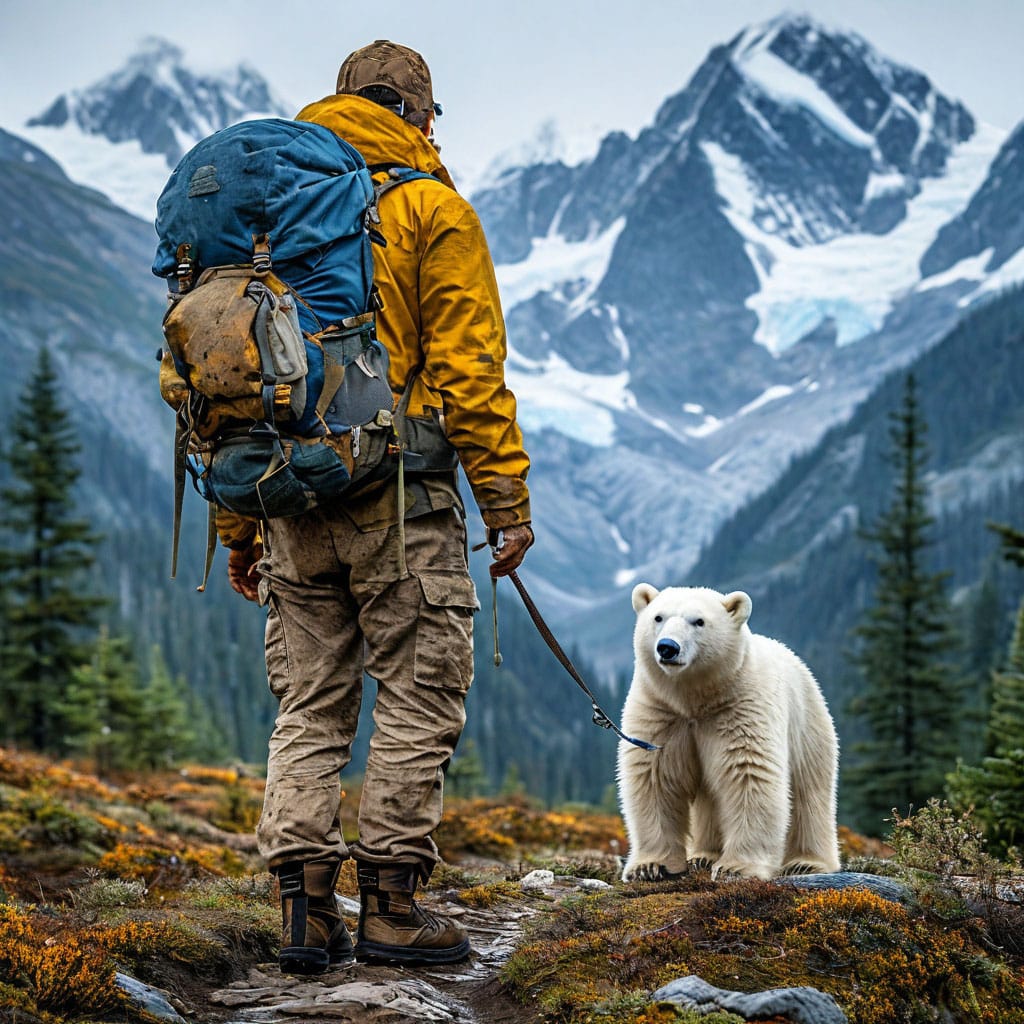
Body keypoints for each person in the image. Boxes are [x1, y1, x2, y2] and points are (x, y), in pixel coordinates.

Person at [219, 40, 533, 973]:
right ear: (419, 116)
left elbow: (228, 381)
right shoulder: (433, 210)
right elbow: (473, 372)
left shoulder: (263, 216)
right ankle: (392, 912)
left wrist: (239, 526)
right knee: (418, 693)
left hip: (286, 503)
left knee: (310, 708)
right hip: (404, 502)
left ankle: (305, 916)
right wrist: (506, 502)